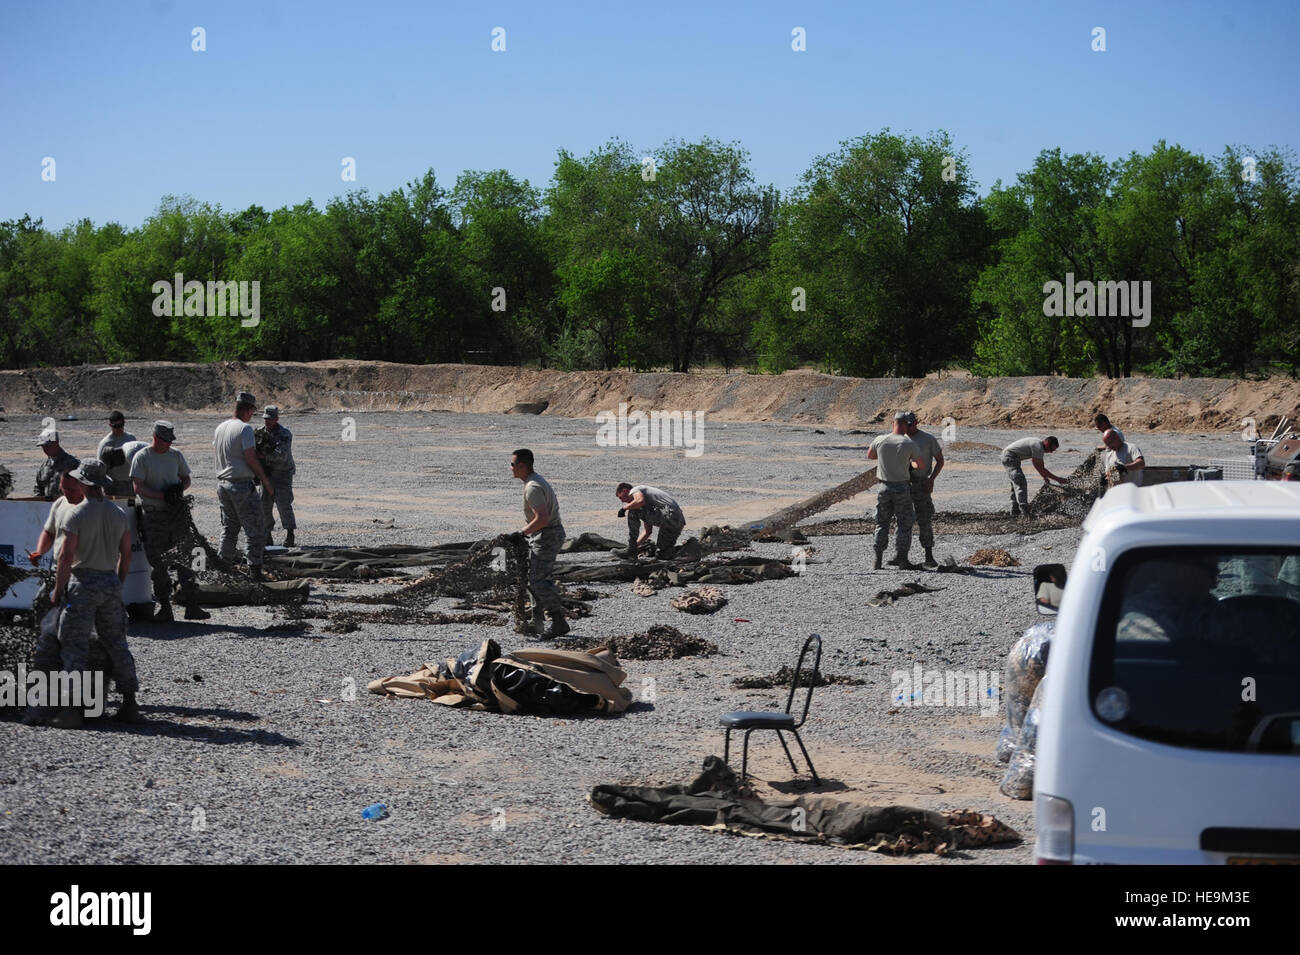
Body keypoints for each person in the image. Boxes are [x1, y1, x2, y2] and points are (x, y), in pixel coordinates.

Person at [44, 460, 141, 728]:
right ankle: (129, 703)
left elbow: (65, 557)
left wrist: (57, 590)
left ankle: (72, 710)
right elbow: (127, 554)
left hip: (82, 583)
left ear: (84, 483)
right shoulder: (118, 513)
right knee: (117, 643)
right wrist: (117, 583)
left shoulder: (75, 515)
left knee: (74, 646)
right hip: (109, 581)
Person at [130, 421, 209, 622]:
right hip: (154, 517)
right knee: (159, 563)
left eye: (170, 440)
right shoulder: (142, 457)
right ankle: (165, 607)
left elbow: (186, 478)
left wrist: (178, 489)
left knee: (186, 559)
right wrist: (162, 496)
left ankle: (192, 605)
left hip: (177, 516)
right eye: (165, 440)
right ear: (156, 437)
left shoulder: (176, 455)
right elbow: (138, 487)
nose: (168, 444)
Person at [213, 392, 274, 579]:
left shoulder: (220, 428)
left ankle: (223, 569)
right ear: (248, 410)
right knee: (255, 528)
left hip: (223, 484)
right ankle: (255, 570)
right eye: (252, 412)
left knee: (229, 529)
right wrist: (265, 480)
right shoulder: (244, 429)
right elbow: (250, 457)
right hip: (240, 484)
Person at [511, 448, 569, 638]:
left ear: (522, 465)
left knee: (539, 580)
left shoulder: (532, 487)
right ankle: (537, 623)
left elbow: (542, 518)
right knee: (533, 578)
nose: (511, 468)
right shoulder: (534, 481)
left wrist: (521, 533)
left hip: (547, 536)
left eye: (513, 465)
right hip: (543, 535)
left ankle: (558, 621)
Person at [867, 413, 925, 570]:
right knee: (904, 523)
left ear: (893, 423)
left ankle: (877, 560)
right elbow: (919, 465)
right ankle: (902, 559)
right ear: (906, 425)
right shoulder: (908, 443)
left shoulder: (880, 440)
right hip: (901, 487)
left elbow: (870, 455)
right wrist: (909, 463)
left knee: (882, 523)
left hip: (884, 487)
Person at [902, 412, 944, 568]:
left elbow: (940, 460)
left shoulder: (927, 439)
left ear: (916, 423)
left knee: (924, 519)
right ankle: (901, 556)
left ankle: (929, 555)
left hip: (921, 484)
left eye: (910, 425)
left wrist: (931, 479)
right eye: (905, 425)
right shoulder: (900, 438)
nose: (907, 428)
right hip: (903, 484)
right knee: (903, 521)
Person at [614, 483, 686, 560]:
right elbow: (647, 532)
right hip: (677, 521)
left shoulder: (635, 490)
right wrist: (635, 546)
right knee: (663, 553)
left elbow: (640, 501)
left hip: (669, 516)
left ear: (624, 491)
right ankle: (686, 551)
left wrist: (624, 509)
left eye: (621, 497)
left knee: (632, 509)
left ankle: (631, 550)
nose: (622, 501)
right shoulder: (649, 505)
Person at [1000, 436, 1068, 517]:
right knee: (1020, 482)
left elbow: (1038, 466)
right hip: (1009, 457)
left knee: (1016, 483)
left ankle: (1015, 511)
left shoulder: (1038, 445)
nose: (1050, 452)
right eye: (1051, 449)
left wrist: (1045, 477)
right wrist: (1058, 479)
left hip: (1011, 457)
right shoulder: (1038, 447)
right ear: (1046, 443)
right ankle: (1025, 512)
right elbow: (1039, 466)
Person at [258, 406, 297, 548]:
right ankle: (267, 535)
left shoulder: (284, 433)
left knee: (284, 504)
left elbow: (282, 454)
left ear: (276, 419)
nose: (267, 422)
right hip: (266, 474)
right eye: (265, 419)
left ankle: (290, 534)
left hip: (282, 473)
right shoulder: (259, 433)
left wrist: (264, 456)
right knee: (264, 505)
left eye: (270, 419)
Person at [97, 411, 137, 497]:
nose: (119, 428)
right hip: (114, 486)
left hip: (131, 484)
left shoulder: (131, 438)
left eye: (121, 425)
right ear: (110, 425)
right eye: (116, 426)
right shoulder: (105, 444)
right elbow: (100, 469)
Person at [34, 428, 79, 500]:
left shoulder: (72, 464)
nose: (45, 449)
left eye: (48, 446)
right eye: (43, 447)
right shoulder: (43, 467)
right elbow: (38, 489)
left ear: (56, 442)